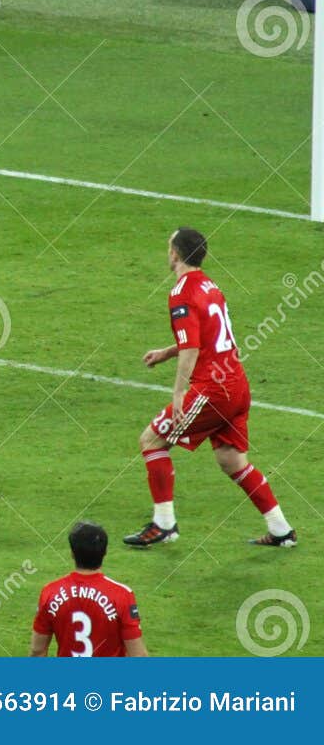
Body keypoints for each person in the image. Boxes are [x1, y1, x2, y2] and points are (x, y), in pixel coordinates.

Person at [124, 228, 296, 549]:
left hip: (212, 391)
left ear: (175, 254)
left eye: (168, 247)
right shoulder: (210, 286)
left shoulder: (181, 293)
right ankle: (281, 529)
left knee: (151, 440)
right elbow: (205, 335)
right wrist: (166, 351)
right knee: (231, 460)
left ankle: (164, 524)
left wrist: (178, 394)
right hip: (236, 384)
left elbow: (192, 349)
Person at [31, 522, 148, 657]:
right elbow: (138, 655)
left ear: (72, 553)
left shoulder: (50, 592)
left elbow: (37, 650)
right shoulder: (122, 595)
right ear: (105, 552)